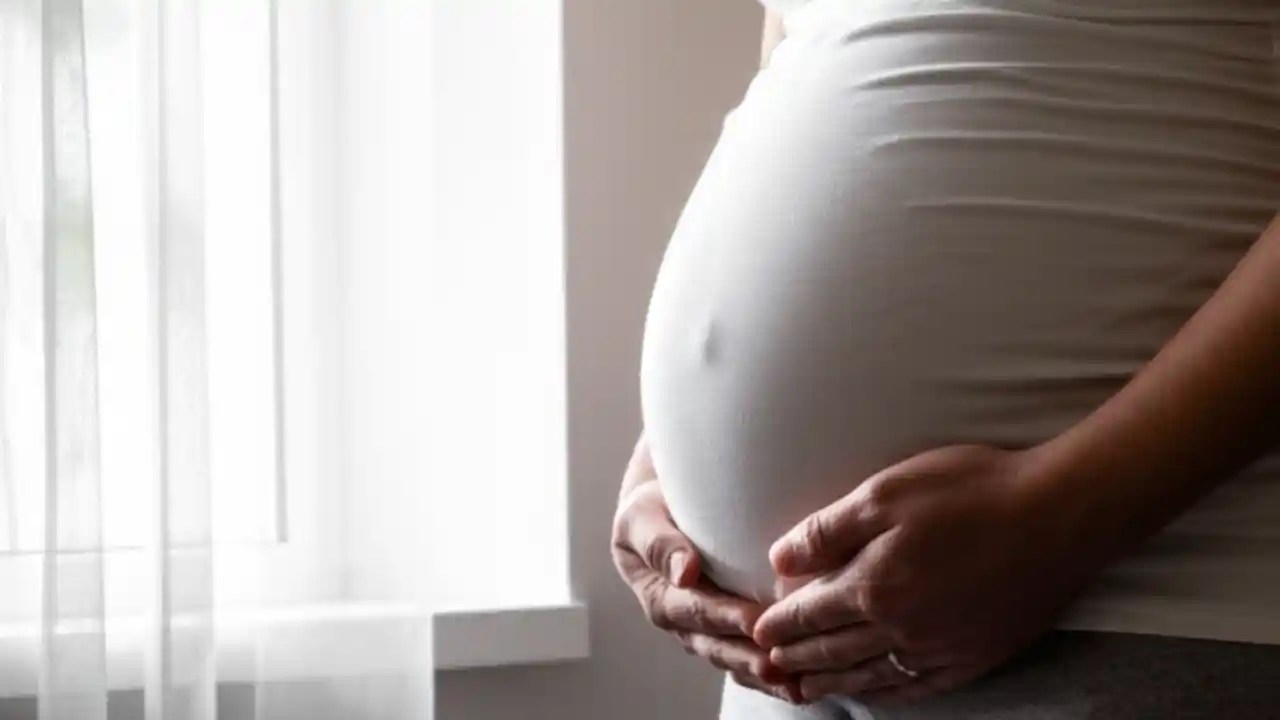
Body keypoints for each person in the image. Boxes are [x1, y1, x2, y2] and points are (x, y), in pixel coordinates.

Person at [612, 1, 1280, 718]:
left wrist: (1066, 517)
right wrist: (670, 458)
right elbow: (818, 61)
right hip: (783, 659)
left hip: (1138, 602)